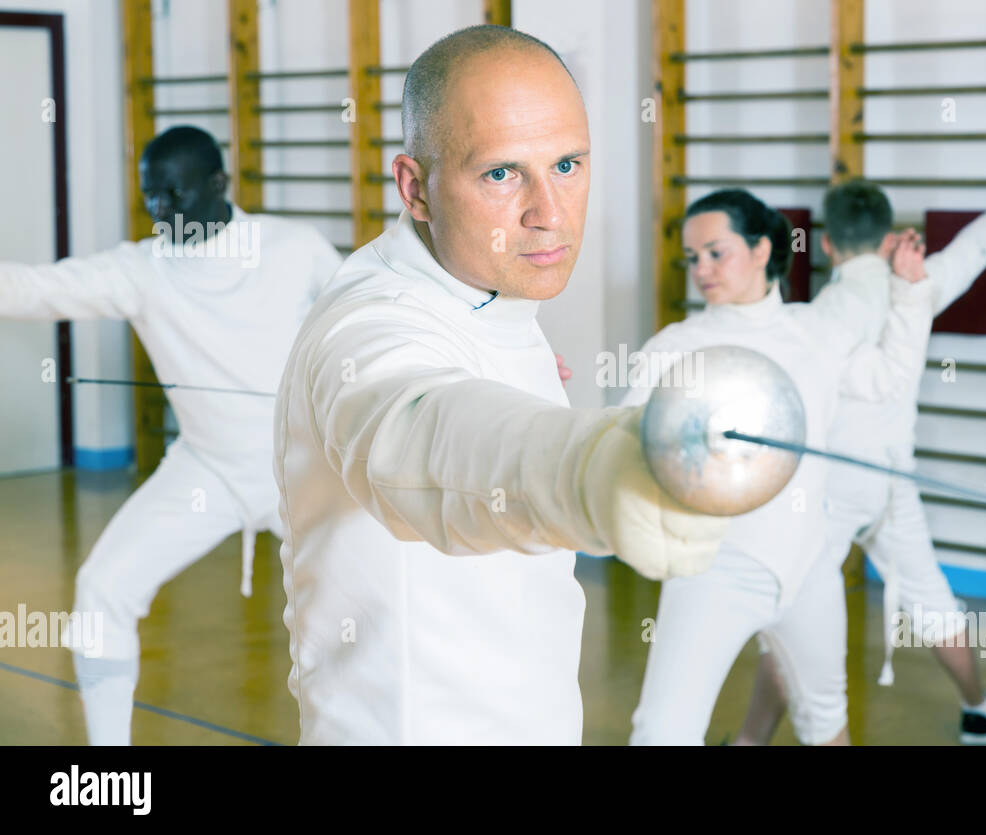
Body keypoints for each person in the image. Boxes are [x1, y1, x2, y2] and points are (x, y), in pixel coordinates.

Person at [274, 24, 729, 745]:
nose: (549, 210)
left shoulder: (484, 289)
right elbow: (412, 433)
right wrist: (590, 464)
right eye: (500, 174)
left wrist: (518, 376)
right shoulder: (364, 324)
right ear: (415, 188)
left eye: (569, 164)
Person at [0, 125, 342, 745]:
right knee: (103, 588)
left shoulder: (293, 248)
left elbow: (371, 326)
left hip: (306, 472)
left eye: (173, 195)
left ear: (218, 184)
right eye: (150, 196)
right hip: (207, 472)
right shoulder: (142, 270)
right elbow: (33, 289)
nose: (160, 211)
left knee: (361, 616)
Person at [622, 187, 936, 746]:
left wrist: (910, 296)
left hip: (808, 566)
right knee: (663, 732)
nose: (703, 270)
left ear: (762, 249)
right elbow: (621, 440)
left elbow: (887, 379)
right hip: (715, 567)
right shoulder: (675, 348)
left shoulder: (813, 332)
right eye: (693, 258)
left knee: (825, 715)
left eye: (717, 253)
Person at [735, 179, 986, 745]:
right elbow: (969, 252)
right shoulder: (912, 282)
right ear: (889, 233)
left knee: (791, 611)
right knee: (931, 599)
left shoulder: (821, 313)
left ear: (825, 245)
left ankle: (750, 741)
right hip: (893, 483)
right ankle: (982, 710)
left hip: (831, 487)